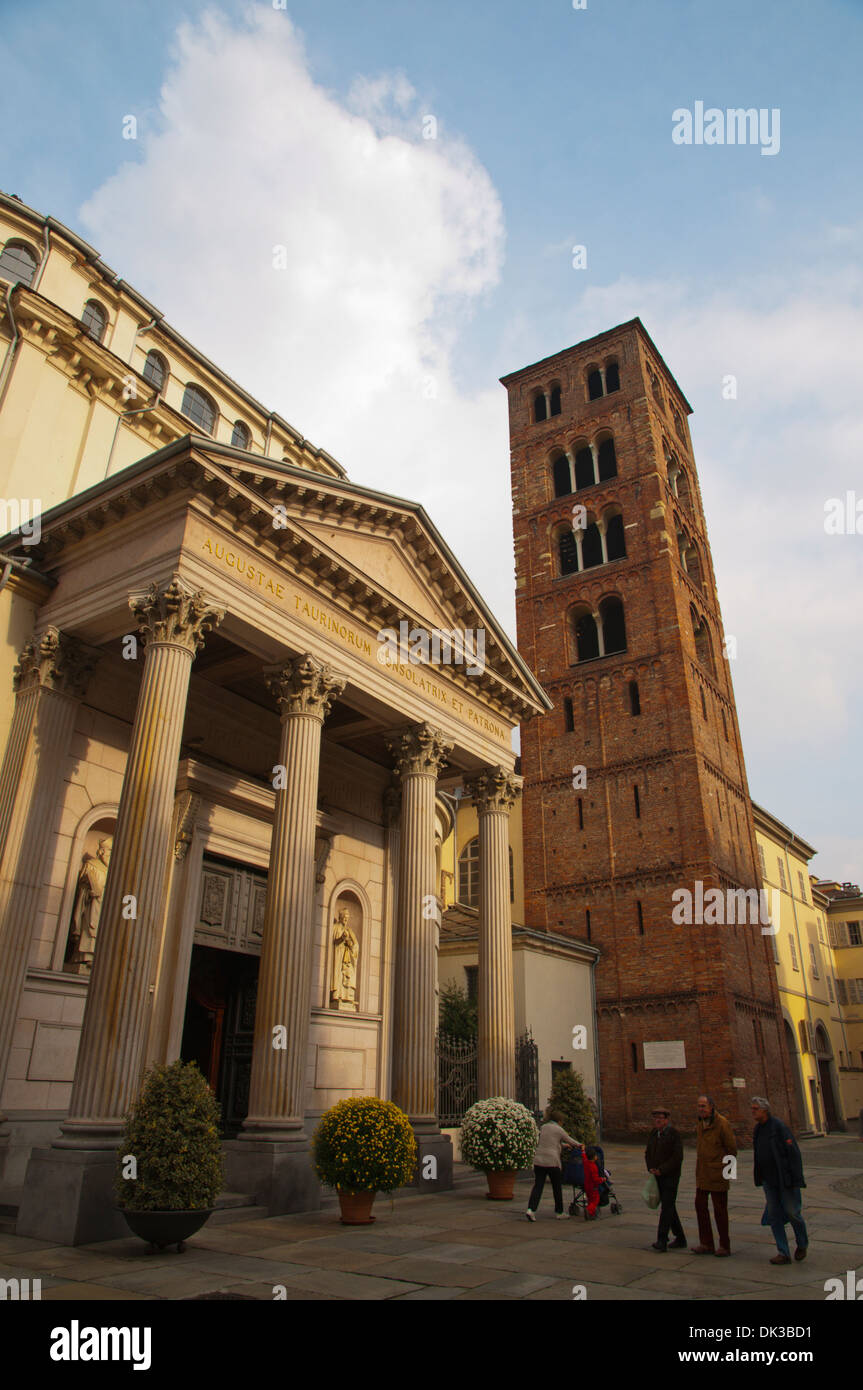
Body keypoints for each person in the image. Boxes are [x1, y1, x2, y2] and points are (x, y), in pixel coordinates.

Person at [751, 1095, 809, 1265]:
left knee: (793, 1213)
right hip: (768, 1181)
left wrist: (796, 1178)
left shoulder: (779, 1127)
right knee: (774, 1216)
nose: (753, 1112)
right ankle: (783, 1252)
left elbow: (793, 1153)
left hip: (785, 1179)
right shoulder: (757, 1129)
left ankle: (802, 1243)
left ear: (765, 1110)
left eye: (755, 1109)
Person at [691, 1093, 737, 1256]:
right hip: (703, 1174)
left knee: (720, 1211)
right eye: (699, 1106)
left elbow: (732, 1149)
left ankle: (724, 1245)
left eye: (703, 1106)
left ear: (711, 1107)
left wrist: (728, 1174)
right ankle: (706, 1243)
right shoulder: (700, 1124)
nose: (701, 1109)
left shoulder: (722, 1124)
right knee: (700, 1206)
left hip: (718, 1174)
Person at [526, 1107, 580, 1221]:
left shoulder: (544, 1127)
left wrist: (563, 1145)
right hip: (552, 1162)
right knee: (556, 1187)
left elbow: (549, 1142)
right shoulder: (559, 1129)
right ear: (560, 1120)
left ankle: (531, 1209)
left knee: (538, 1186)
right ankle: (559, 1212)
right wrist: (580, 1145)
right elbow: (570, 1140)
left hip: (539, 1160)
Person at [644, 1105, 686, 1251]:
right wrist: (650, 1167)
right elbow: (648, 1152)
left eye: (660, 1118)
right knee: (669, 1206)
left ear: (666, 1120)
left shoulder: (673, 1134)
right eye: (655, 1118)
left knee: (667, 1207)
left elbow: (677, 1157)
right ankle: (680, 1238)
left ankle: (662, 1240)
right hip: (657, 1175)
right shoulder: (654, 1133)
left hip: (670, 1177)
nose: (657, 1121)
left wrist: (662, 1169)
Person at [582, 1144, 601, 1219]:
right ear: (594, 1157)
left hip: (587, 1185)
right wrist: (602, 1179)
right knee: (595, 1200)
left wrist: (583, 1150)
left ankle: (591, 1213)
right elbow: (595, 1179)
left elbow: (583, 1157)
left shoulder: (586, 1162)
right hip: (593, 1187)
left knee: (590, 1199)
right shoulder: (593, 1166)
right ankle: (589, 1210)